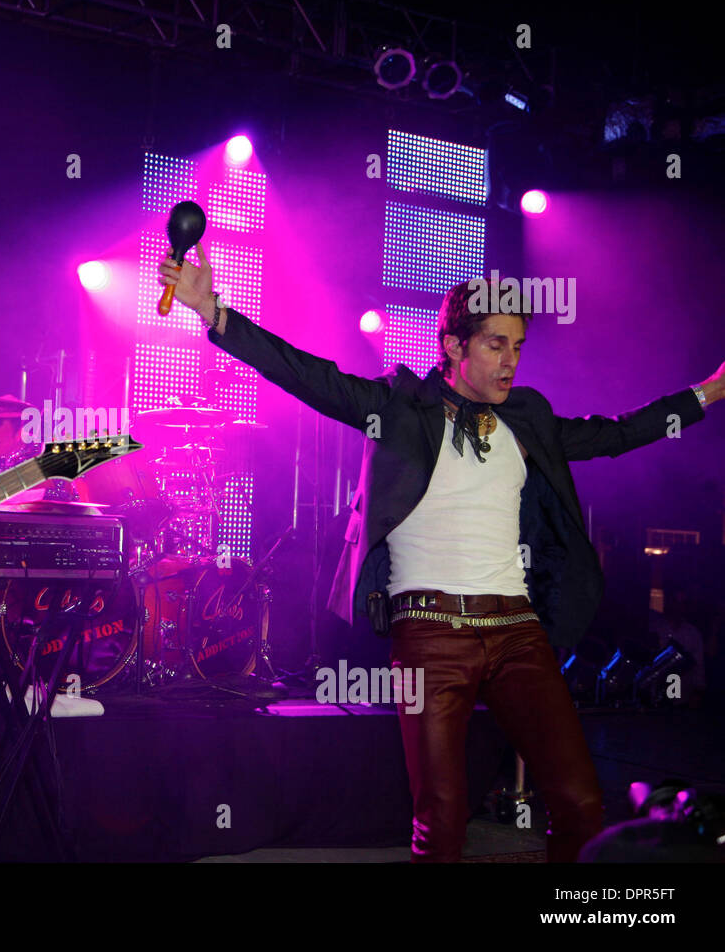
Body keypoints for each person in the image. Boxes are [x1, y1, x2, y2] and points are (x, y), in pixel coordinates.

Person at [160, 245, 723, 861]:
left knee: (582, 802)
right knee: (442, 818)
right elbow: (305, 373)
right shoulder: (398, 409)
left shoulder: (527, 419)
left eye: (517, 346)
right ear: (453, 347)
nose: (510, 361)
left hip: (516, 632)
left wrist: (710, 392)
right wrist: (212, 311)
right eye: (495, 345)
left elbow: (618, 433)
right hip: (430, 635)